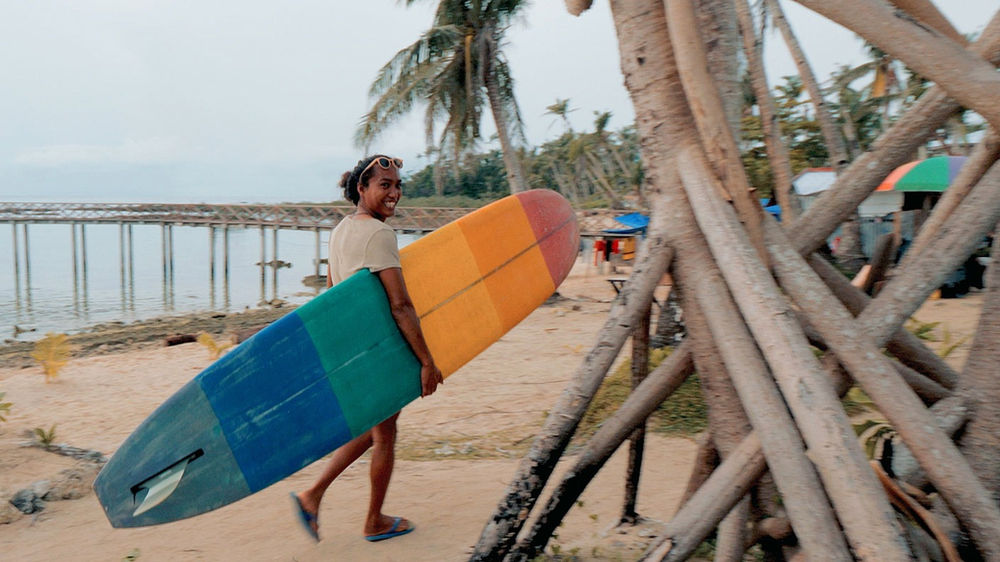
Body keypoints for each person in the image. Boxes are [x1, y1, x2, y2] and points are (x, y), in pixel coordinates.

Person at [291, 154, 443, 543]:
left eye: (397, 186)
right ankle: (371, 519)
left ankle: (315, 495)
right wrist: (427, 361)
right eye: (384, 185)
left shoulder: (341, 230)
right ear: (362, 188)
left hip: (354, 349)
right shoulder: (380, 235)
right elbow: (400, 304)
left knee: (379, 428)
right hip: (380, 351)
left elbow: (332, 294)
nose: (394, 193)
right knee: (384, 433)